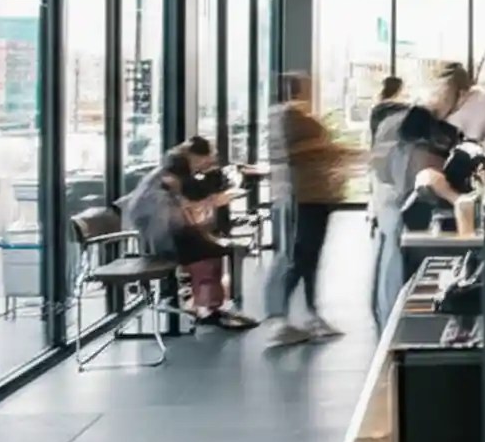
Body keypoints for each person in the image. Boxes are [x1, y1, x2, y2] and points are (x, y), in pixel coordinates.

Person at [266, 72, 363, 346]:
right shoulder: (293, 118)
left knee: (307, 258)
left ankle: (309, 313)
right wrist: (335, 150)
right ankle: (283, 318)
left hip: (308, 197)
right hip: (307, 197)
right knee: (302, 257)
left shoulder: (285, 118)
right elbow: (312, 151)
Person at [118, 149, 254, 329]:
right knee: (211, 251)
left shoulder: (157, 182)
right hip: (162, 243)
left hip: (164, 238)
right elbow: (173, 224)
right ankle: (208, 308)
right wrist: (202, 207)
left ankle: (210, 306)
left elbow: (181, 218)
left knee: (211, 248)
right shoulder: (157, 195)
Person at [369, 76, 409, 144]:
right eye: (404, 89)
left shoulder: (377, 109)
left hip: (378, 150)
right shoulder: (403, 110)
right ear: (399, 90)